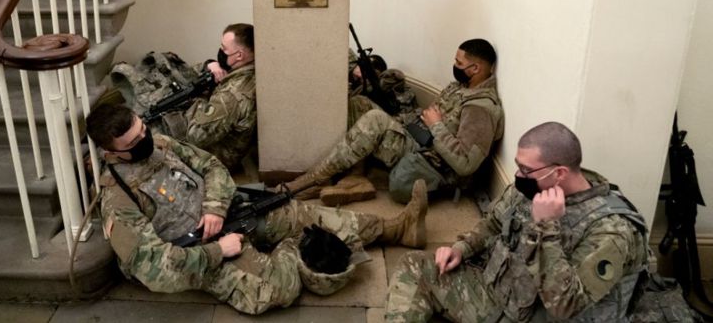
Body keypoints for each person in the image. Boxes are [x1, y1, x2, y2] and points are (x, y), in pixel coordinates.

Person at [86, 104, 429, 316]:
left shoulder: (161, 143)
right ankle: (290, 249)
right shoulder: (118, 199)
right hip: (198, 254)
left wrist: (216, 208)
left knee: (302, 215)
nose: (146, 139)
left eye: (143, 129)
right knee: (278, 292)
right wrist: (217, 250)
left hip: (231, 215)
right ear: (110, 153)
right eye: (133, 143)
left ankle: (397, 229)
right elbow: (154, 270)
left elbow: (213, 166)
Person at [384, 122, 650, 323]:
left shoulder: (611, 230)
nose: (517, 175)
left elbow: (566, 306)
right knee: (415, 266)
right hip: (497, 298)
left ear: (559, 173)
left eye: (525, 169)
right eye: (518, 166)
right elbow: (492, 224)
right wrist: (460, 250)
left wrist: (547, 228)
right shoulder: (530, 188)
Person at [285, 39, 504, 205]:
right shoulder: (461, 87)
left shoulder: (480, 108)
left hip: (430, 159)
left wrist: (435, 125)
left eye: (459, 62)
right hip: (418, 136)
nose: (454, 65)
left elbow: (465, 164)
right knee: (360, 103)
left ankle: (313, 180)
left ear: (475, 69)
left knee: (375, 120)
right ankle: (355, 176)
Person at [111, 23, 257, 172]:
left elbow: (196, 135)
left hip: (214, 157)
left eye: (224, 49)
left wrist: (192, 102)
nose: (221, 51)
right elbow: (193, 74)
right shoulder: (241, 71)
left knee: (146, 137)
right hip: (212, 139)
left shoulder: (231, 95)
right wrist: (210, 64)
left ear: (239, 55)